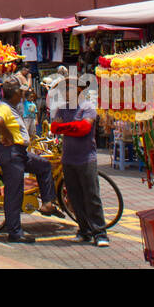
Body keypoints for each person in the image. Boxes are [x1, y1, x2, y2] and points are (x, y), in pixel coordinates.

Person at [0, 76, 58, 244]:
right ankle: (15, 232)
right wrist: (5, 136)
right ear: (13, 94)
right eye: (20, 92)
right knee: (14, 193)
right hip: (11, 153)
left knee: (44, 165)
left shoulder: (9, 106)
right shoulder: (4, 107)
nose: (22, 95)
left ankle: (48, 203)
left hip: (19, 152)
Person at [50, 89, 108, 247]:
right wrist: (71, 127)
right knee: (74, 198)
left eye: (69, 90)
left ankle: (100, 233)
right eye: (65, 90)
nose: (66, 93)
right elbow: (54, 128)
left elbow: (84, 128)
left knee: (91, 196)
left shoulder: (87, 107)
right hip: (68, 158)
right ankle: (84, 231)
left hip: (86, 158)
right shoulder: (62, 108)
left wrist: (65, 127)